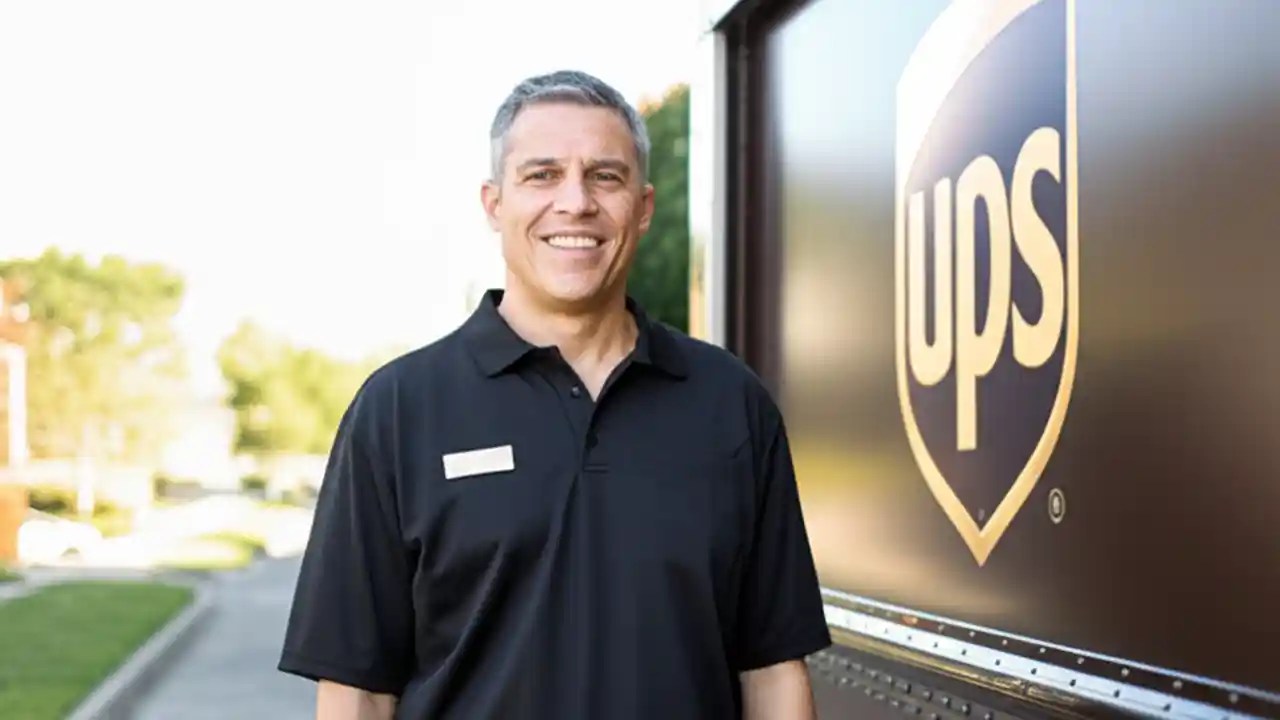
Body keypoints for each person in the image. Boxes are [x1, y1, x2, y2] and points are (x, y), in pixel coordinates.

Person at [278, 69, 831, 719]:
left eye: (605, 176)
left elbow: (771, 671)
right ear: (494, 205)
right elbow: (358, 690)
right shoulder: (398, 410)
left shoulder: (730, 404)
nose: (576, 202)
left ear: (643, 207)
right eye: (542, 175)